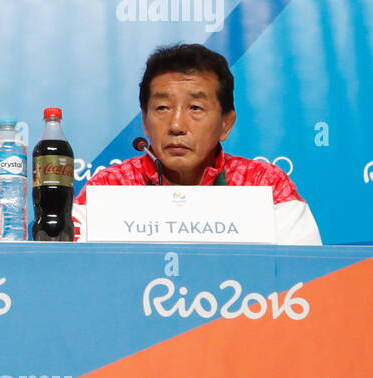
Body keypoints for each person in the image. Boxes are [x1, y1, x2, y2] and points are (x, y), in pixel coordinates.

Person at [72, 43, 320, 245]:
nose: (176, 125)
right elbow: (68, 274)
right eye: (162, 108)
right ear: (145, 122)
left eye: (195, 108)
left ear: (226, 123)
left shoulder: (267, 186)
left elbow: (308, 280)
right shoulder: (108, 188)